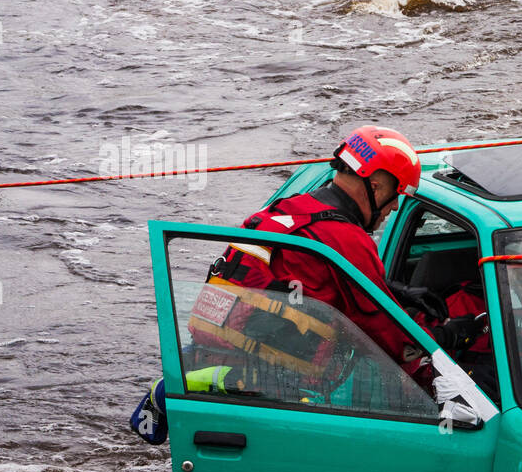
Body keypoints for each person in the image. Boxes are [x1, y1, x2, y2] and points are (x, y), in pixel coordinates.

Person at [130, 125, 483, 444]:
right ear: (375, 184)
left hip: (217, 357)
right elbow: (387, 335)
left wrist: (396, 291)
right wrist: (444, 340)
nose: (394, 206)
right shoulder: (345, 238)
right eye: (395, 195)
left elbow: (316, 283)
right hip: (275, 386)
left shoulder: (287, 210)